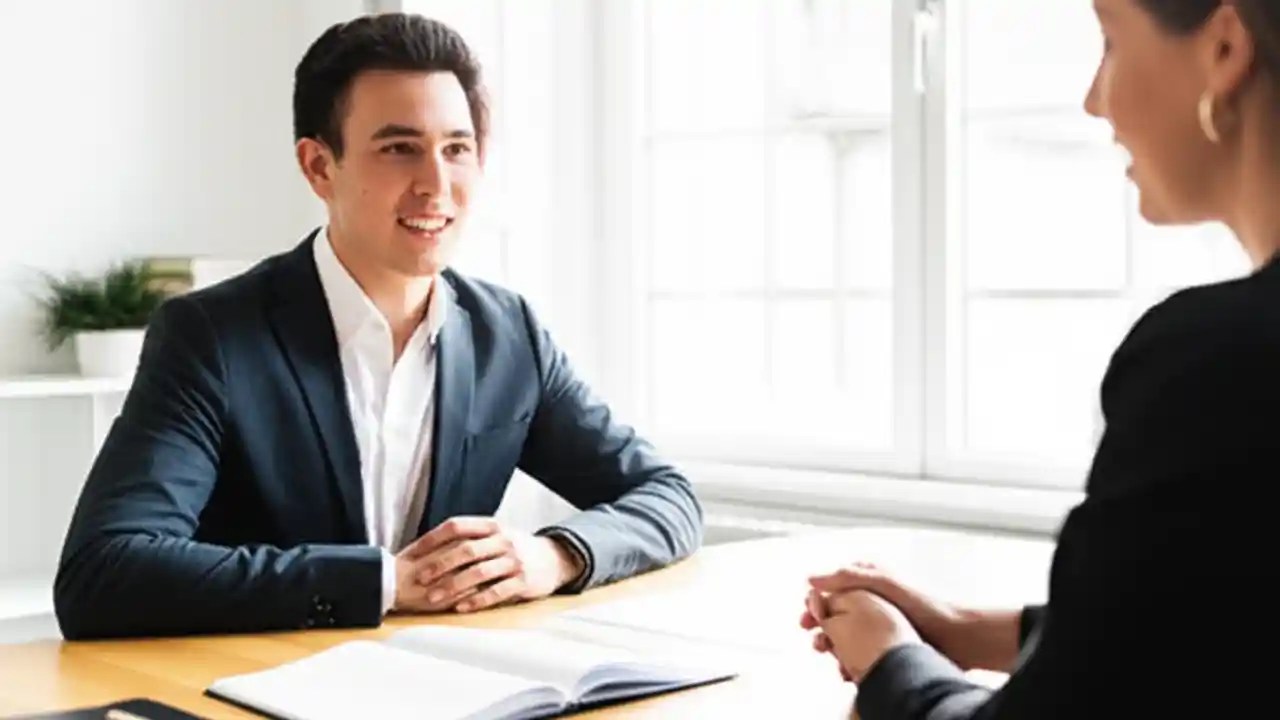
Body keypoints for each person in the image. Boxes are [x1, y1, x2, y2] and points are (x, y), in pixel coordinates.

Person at [53, 12, 702, 640]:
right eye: (399, 149)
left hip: (441, 681)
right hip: (252, 688)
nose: (437, 185)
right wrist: (387, 582)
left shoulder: (510, 337)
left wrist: (555, 555)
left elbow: (667, 498)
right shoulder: (211, 337)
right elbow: (105, 571)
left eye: (457, 149)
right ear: (318, 166)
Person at [801, 0, 1280, 717]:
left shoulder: (1215, 367)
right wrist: (964, 631)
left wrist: (891, 665)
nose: (1094, 100)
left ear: (1223, 46)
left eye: (1111, 40)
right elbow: (1215, 627)